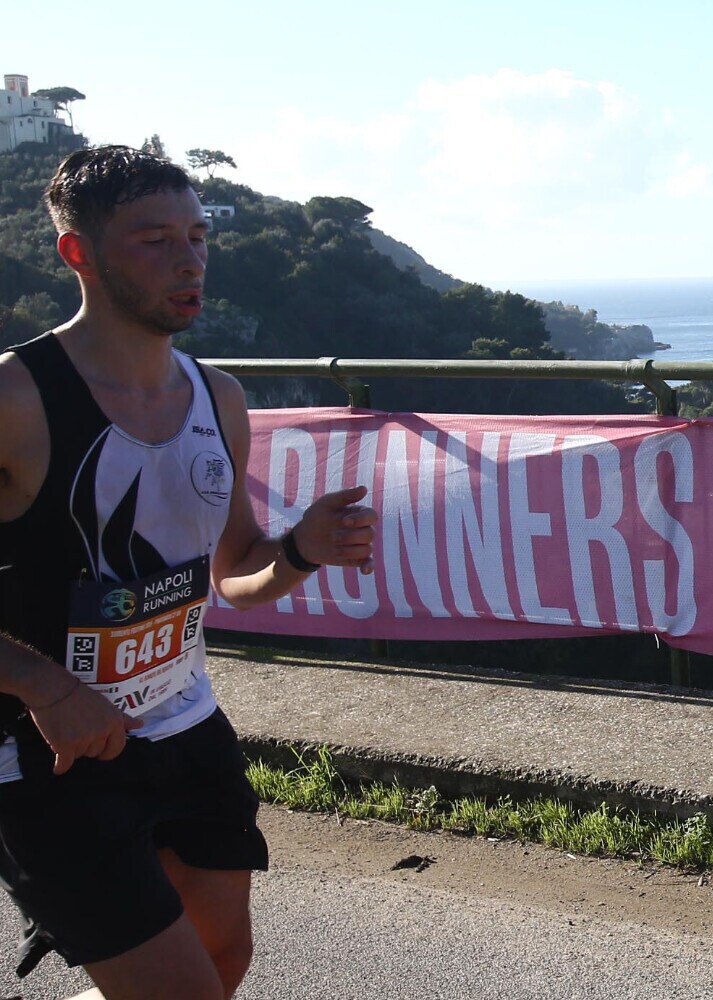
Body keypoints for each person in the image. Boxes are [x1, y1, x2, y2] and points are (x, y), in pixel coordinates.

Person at [0, 146, 378, 1000]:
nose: (190, 260)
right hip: (48, 753)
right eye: (155, 240)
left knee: (220, 963)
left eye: (199, 237)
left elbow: (234, 570)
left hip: (181, 726)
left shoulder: (220, 397)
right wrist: (43, 686)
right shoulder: (17, 399)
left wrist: (300, 552)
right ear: (78, 254)